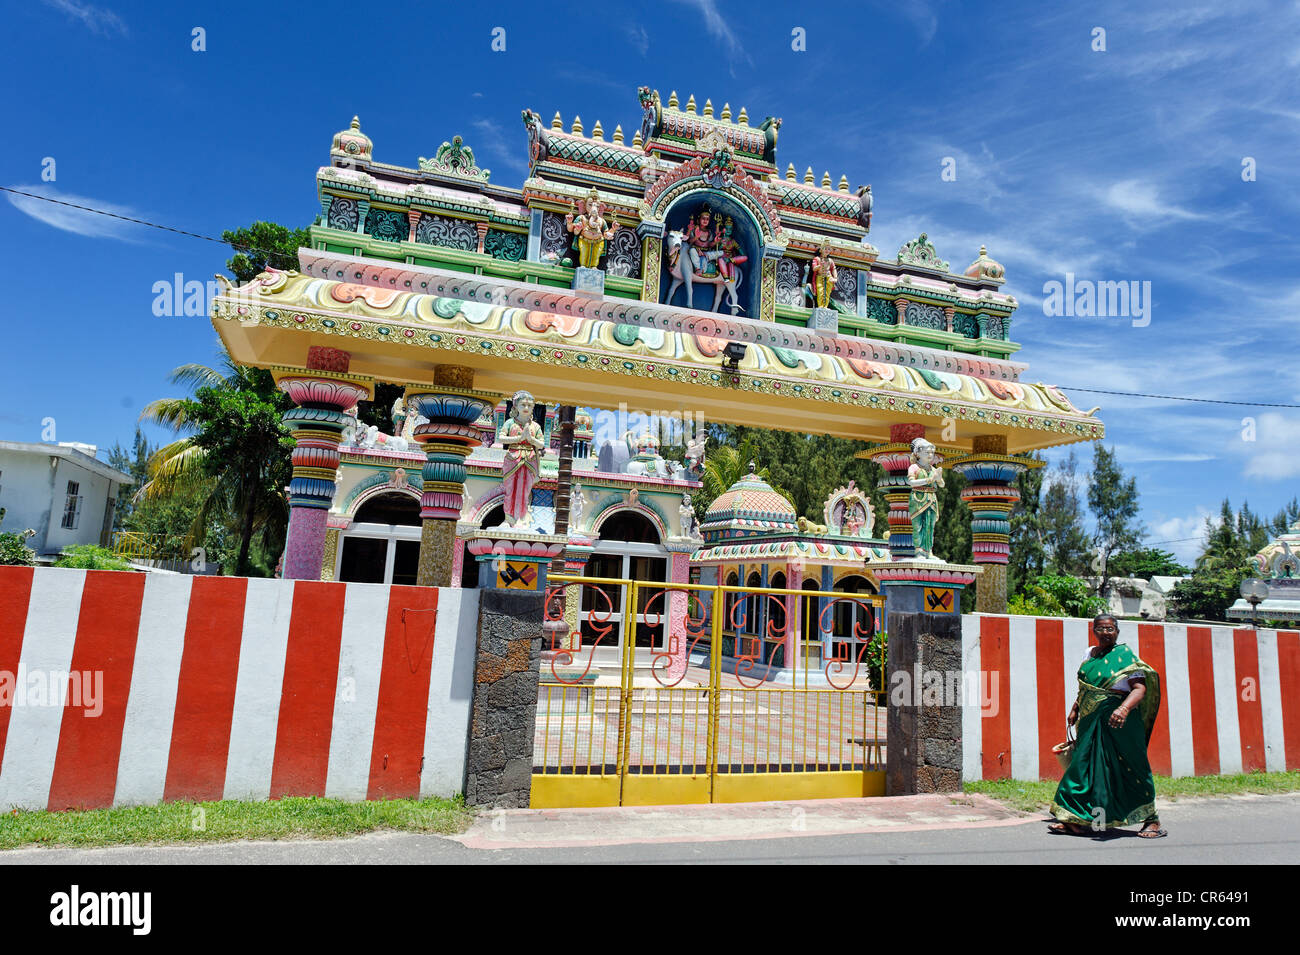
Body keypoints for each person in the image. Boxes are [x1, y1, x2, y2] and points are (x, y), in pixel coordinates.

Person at [1048, 614, 1167, 838]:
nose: (1106, 632)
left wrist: (1123, 709)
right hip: (1091, 721)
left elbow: (1139, 689)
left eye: (1110, 629)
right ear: (1094, 630)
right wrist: (1075, 707)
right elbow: (1086, 687)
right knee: (1083, 770)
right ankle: (1075, 818)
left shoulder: (1125, 656)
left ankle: (1151, 820)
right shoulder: (1089, 654)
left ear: (1117, 632)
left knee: (1132, 769)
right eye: (1101, 628)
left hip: (1119, 723)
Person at [498, 390, 545, 528]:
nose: (526, 408)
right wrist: (519, 438)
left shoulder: (535, 426)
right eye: (523, 405)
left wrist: (531, 439)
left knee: (524, 492)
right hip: (513, 458)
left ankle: (520, 519)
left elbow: (541, 444)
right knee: (510, 490)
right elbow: (501, 438)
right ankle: (508, 520)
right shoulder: (510, 423)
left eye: (529, 406)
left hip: (529, 460)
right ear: (515, 407)